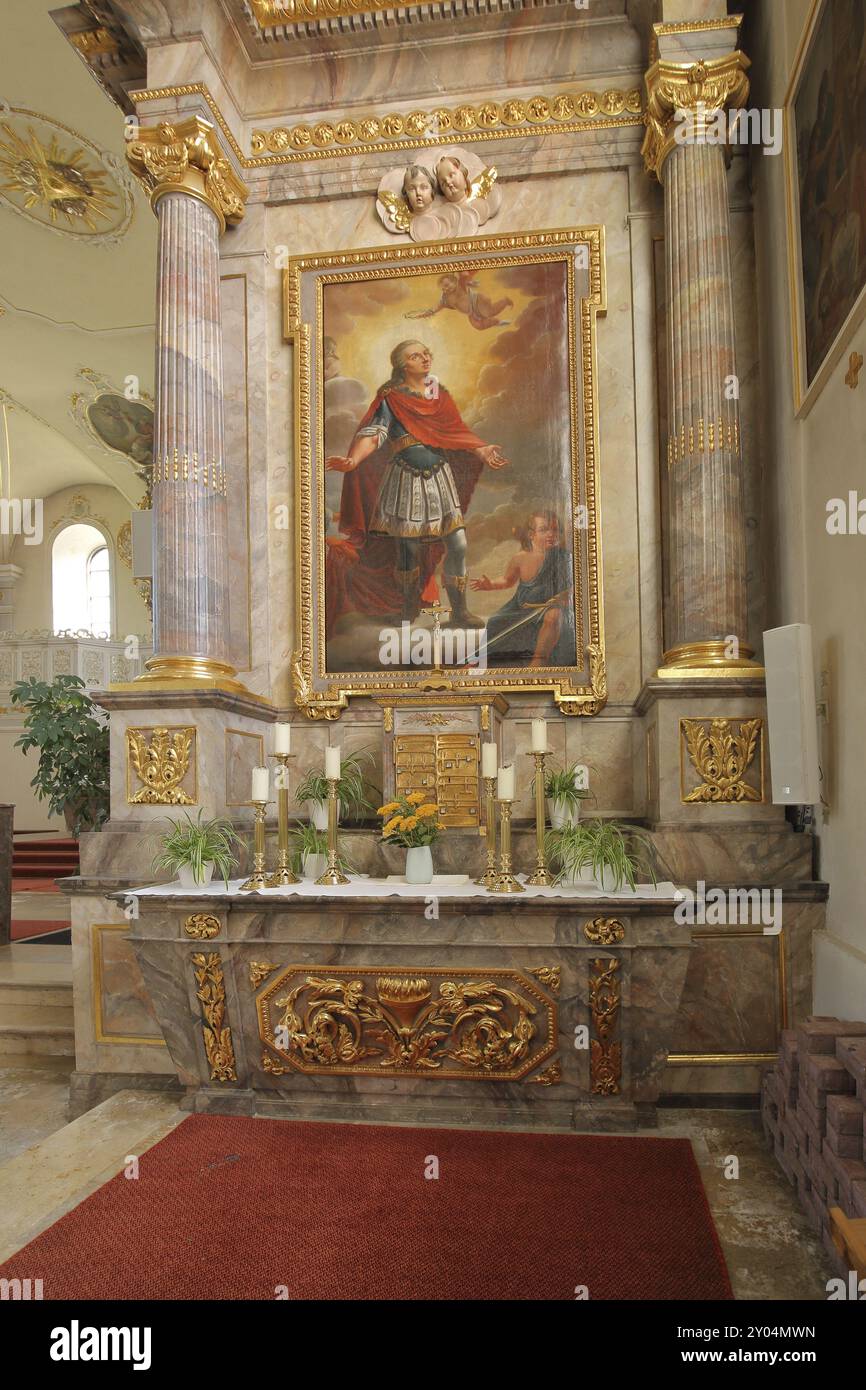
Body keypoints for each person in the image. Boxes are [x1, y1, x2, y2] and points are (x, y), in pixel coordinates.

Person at [326, 339, 509, 628]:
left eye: (426, 353)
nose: (424, 359)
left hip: (439, 476)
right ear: (402, 365)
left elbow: (455, 431)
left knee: (458, 544)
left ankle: (459, 612)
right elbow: (375, 433)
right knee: (408, 548)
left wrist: (481, 449)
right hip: (406, 477)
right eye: (416, 356)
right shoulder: (391, 398)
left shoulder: (439, 396)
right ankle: (407, 609)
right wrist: (353, 461)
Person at [471, 511, 574, 666]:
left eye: (555, 529)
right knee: (496, 620)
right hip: (521, 606)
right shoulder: (520, 558)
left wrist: (566, 596)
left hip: (549, 607)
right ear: (531, 535)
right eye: (544, 529)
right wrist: (490, 584)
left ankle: (538, 661)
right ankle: (481, 660)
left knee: (553, 617)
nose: (551, 534)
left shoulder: (564, 557)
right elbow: (507, 581)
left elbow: (572, 585)